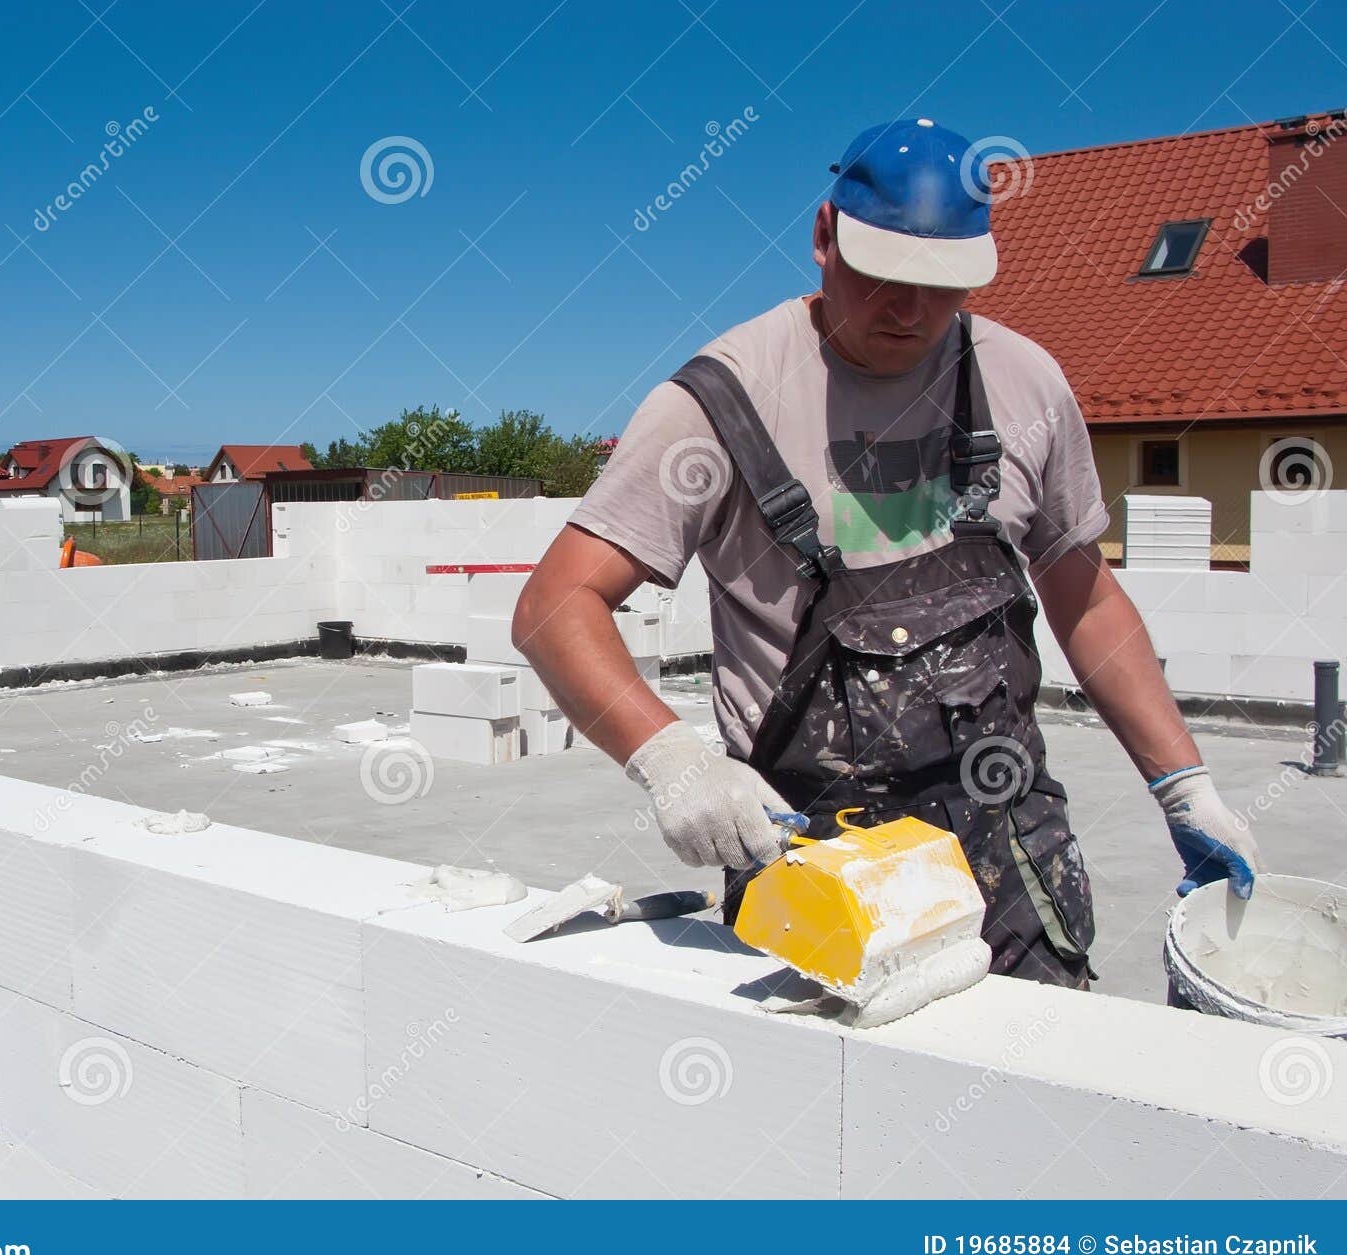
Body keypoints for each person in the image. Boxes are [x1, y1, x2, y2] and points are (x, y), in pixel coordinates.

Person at [512, 118, 1262, 988]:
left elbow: (1085, 601)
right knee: (828, 1113)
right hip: (821, 865)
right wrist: (671, 762)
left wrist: (1185, 787)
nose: (909, 312)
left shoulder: (1023, 385)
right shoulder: (721, 402)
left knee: (1033, 1086)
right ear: (824, 237)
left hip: (1008, 843)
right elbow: (556, 606)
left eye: (940, 286)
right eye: (883, 277)